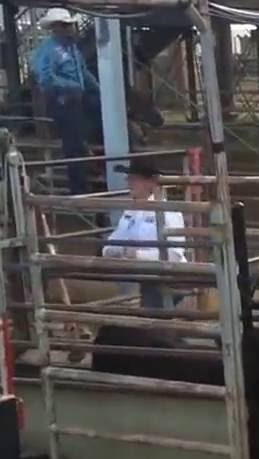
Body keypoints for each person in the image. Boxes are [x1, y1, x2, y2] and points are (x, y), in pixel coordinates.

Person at [103, 159, 188, 309]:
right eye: (129, 178)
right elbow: (111, 244)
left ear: (151, 183)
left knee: (149, 306)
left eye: (134, 179)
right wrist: (118, 251)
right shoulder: (131, 211)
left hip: (169, 277)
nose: (129, 183)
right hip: (144, 276)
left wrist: (137, 255)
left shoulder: (169, 212)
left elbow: (174, 254)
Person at [31, 9, 97, 195]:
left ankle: (86, 172)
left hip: (76, 97)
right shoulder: (49, 50)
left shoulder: (72, 49)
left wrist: (98, 89)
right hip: (62, 100)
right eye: (67, 25)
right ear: (56, 27)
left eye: (71, 25)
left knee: (83, 133)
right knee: (73, 144)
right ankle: (79, 188)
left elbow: (83, 72)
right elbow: (45, 79)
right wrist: (71, 87)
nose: (72, 29)